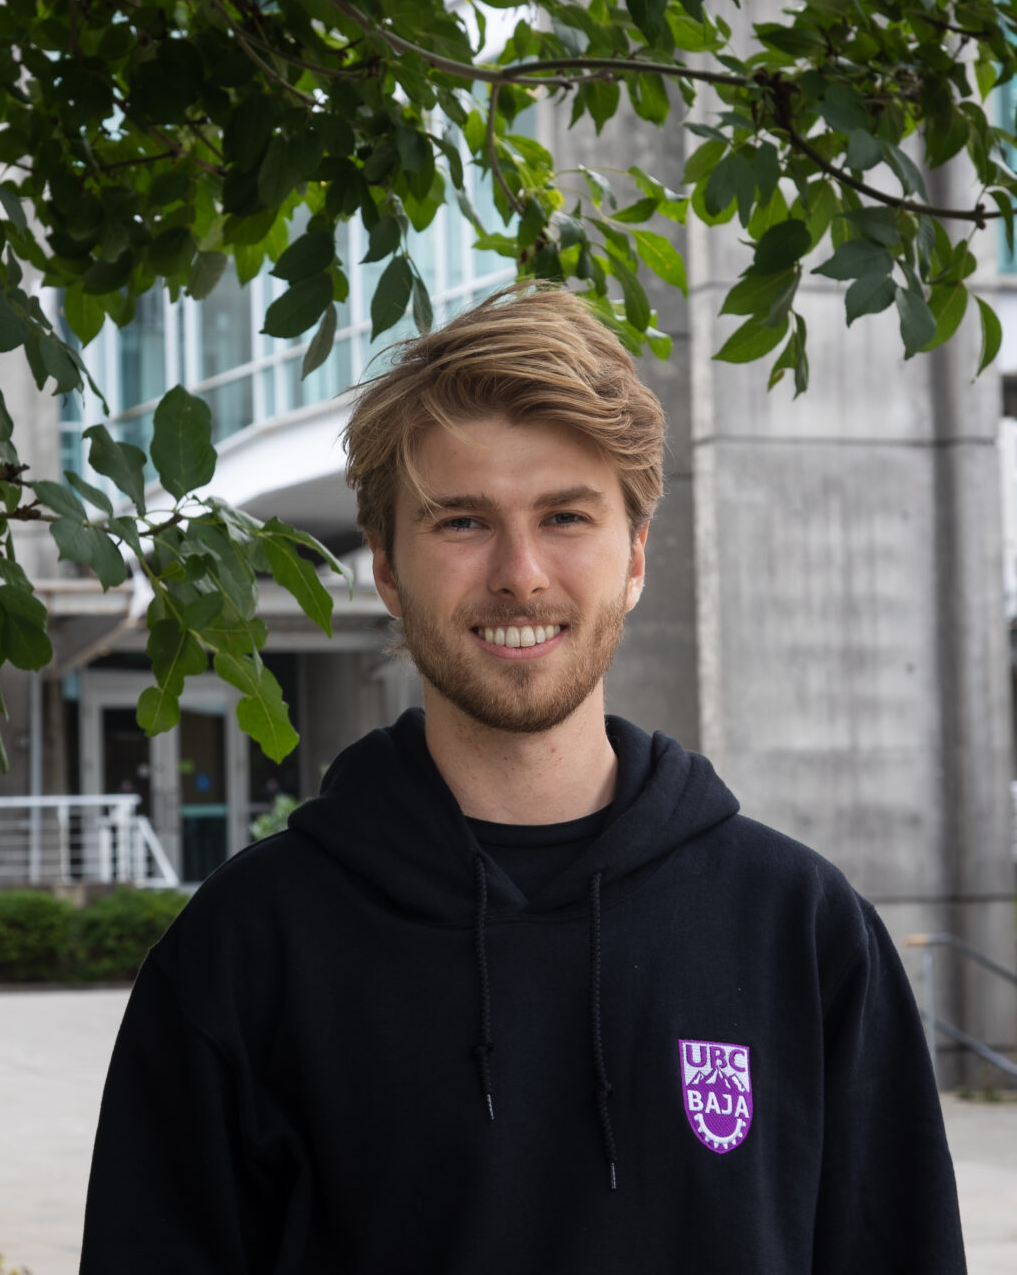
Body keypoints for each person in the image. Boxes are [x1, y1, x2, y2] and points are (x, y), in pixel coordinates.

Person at [80, 284, 966, 1274]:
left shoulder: (800, 929)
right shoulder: (247, 948)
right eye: (461, 523)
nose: (520, 573)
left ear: (632, 558)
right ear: (385, 569)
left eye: (565, 517)